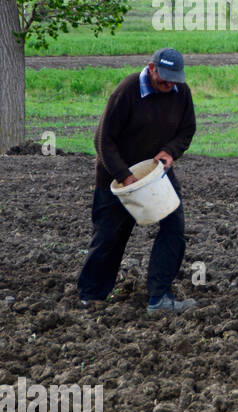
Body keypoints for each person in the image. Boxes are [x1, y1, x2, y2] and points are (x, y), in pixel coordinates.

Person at [77, 47, 197, 313]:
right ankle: (91, 296)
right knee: (110, 236)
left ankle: (159, 298)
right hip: (116, 178)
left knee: (174, 229)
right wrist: (125, 176)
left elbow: (188, 129)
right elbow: (102, 139)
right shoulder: (128, 90)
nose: (169, 84)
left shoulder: (181, 92)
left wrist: (171, 151)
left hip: (157, 176)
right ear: (151, 68)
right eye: (164, 77)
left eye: (174, 79)